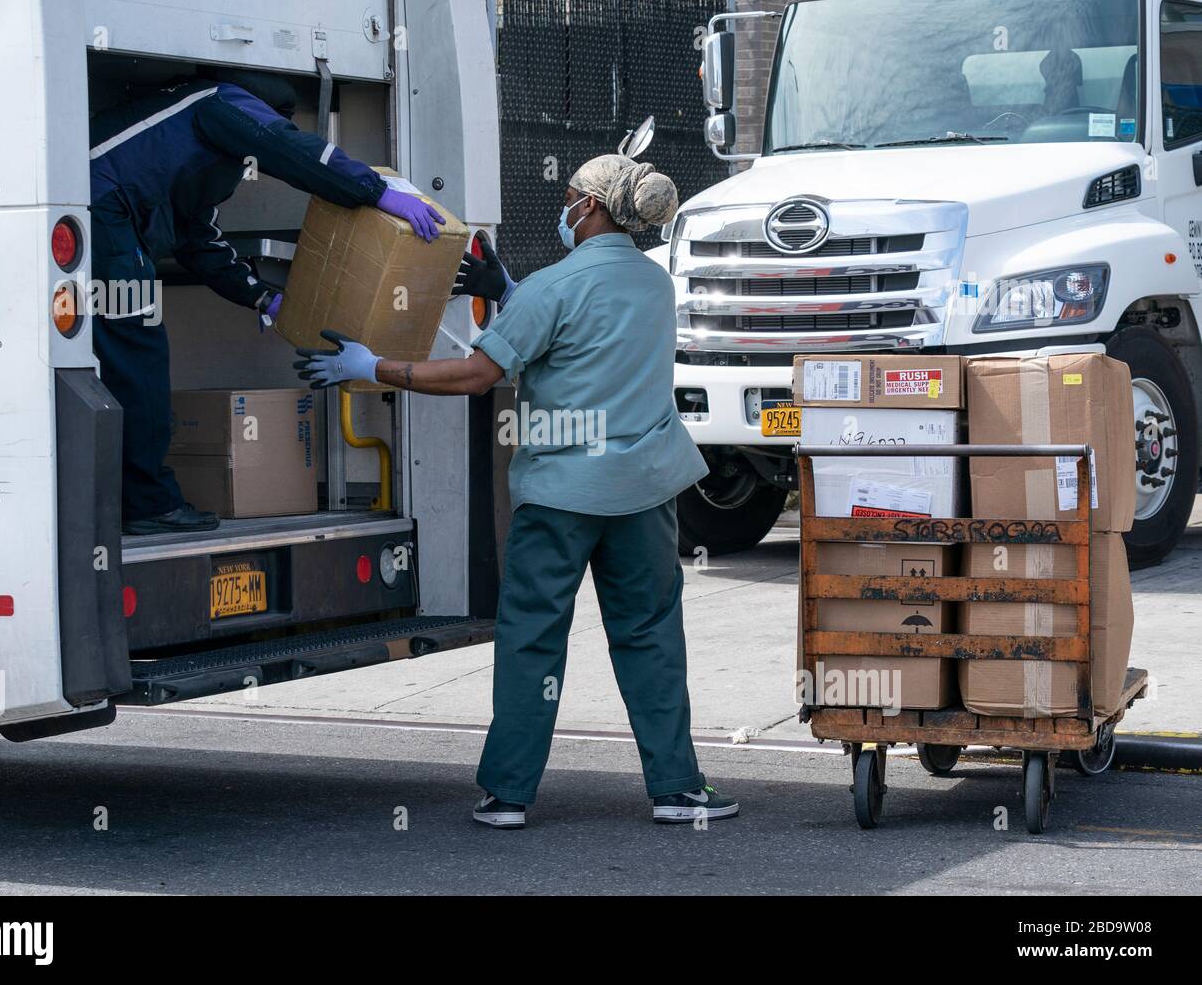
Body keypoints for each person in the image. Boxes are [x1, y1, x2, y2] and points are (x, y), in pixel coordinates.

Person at [295, 154, 739, 829]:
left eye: (568, 197)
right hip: (645, 492)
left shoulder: (550, 289)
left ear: (589, 207)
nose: (562, 208)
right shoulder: (656, 286)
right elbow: (589, 326)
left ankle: (508, 795)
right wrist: (506, 286)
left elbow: (478, 375)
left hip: (561, 495)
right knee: (650, 636)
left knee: (532, 638)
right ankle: (676, 789)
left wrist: (373, 365)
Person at [89, 71, 443, 535]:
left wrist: (263, 298)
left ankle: (130, 497)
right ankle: (148, 504)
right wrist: (376, 192)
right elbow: (289, 149)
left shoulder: (202, 156)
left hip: (106, 209)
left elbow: (198, 240)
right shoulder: (219, 102)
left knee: (129, 355)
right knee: (138, 352)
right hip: (98, 205)